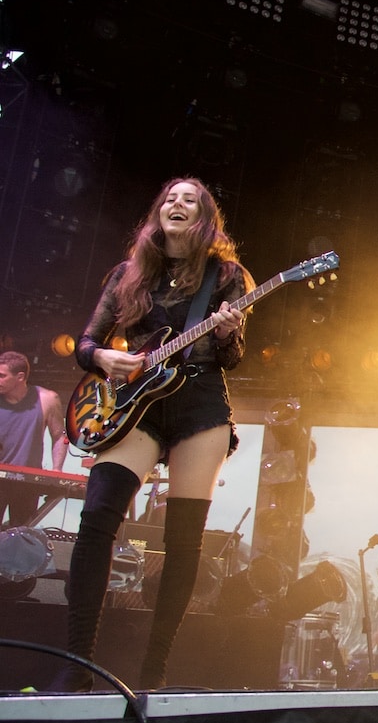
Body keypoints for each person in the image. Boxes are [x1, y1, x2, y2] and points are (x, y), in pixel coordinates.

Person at [52, 177, 252, 692]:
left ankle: (154, 671)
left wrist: (228, 332)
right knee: (97, 517)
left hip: (200, 405)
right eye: (169, 198)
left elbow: (231, 357)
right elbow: (87, 343)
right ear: (158, 213)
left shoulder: (227, 275)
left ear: (205, 216)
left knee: (183, 541)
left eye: (190, 199)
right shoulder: (128, 274)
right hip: (133, 403)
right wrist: (100, 356)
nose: (176, 204)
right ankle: (78, 665)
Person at [0, 351, 68, 527]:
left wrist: (56, 470)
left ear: (20, 377)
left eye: (2, 376)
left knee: (21, 535)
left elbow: (59, 436)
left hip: (27, 481)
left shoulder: (47, 399)